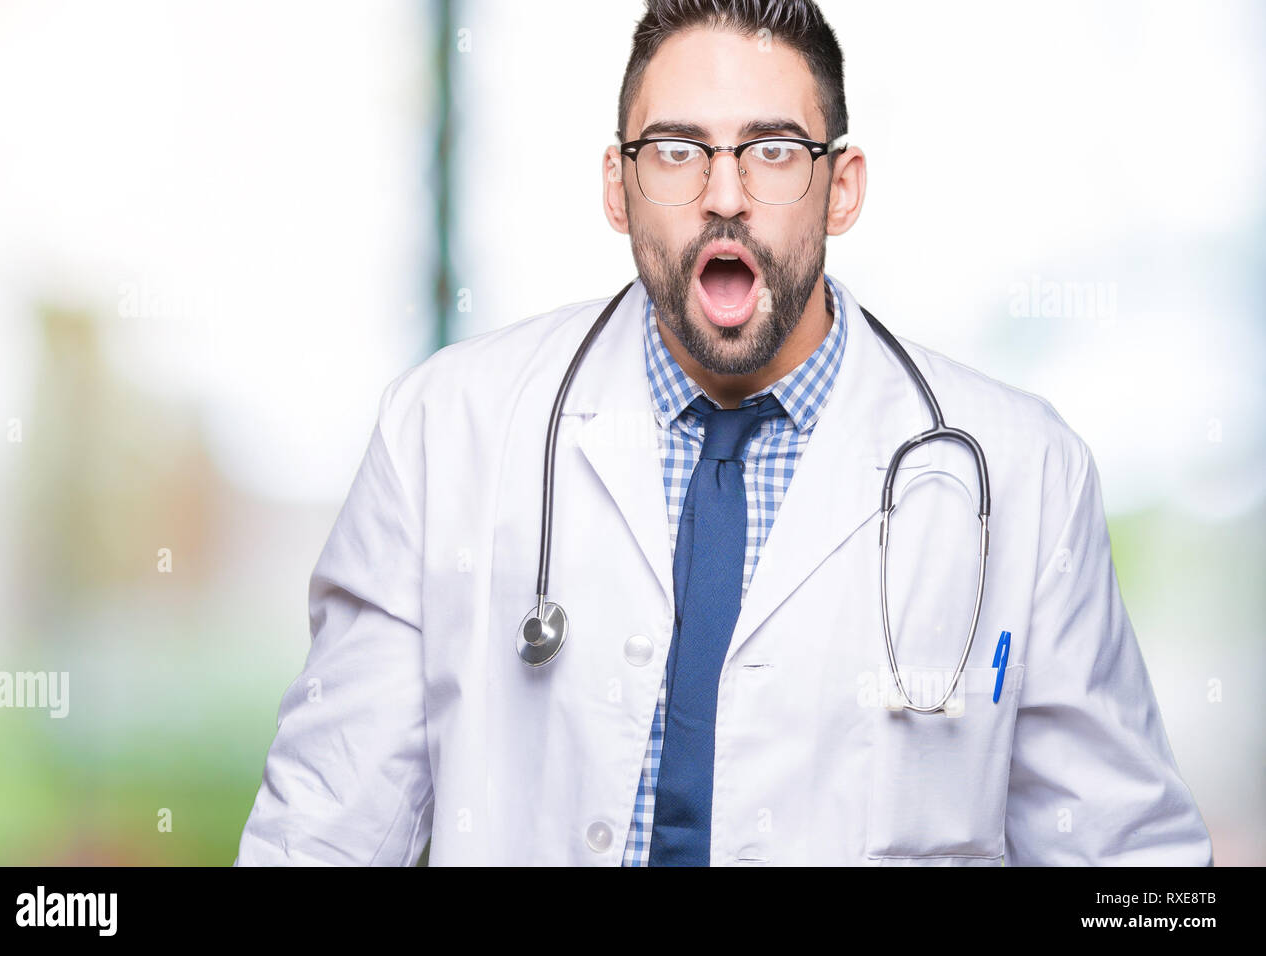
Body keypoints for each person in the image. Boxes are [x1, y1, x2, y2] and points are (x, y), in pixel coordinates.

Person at [234, 0, 1213, 866]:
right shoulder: (443, 433)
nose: (726, 192)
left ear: (843, 187)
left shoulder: (1025, 471)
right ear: (617, 186)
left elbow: (1131, 873)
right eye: (676, 149)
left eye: (775, 148)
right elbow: (318, 836)